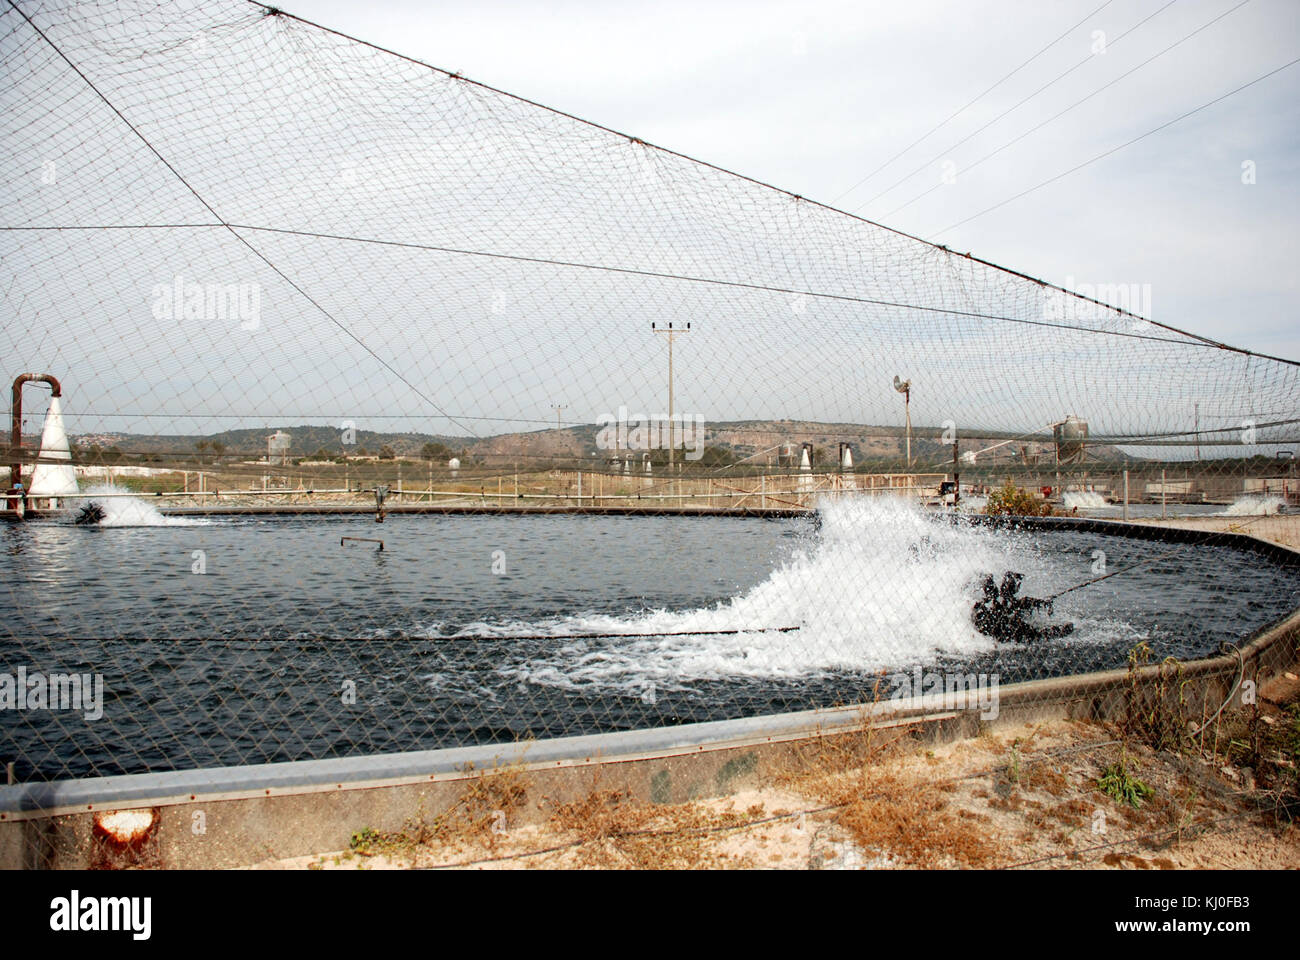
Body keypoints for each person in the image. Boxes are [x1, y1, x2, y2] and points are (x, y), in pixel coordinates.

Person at [971, 571, 1074, 642]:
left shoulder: (985, 602)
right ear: (1015, 587)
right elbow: (1032, 603)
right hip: (1008, 633)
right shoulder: (1019, 602)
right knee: (1036, 633)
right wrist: (1046, 603)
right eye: (1017, 584)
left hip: (988, 631)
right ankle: (1059, 631)